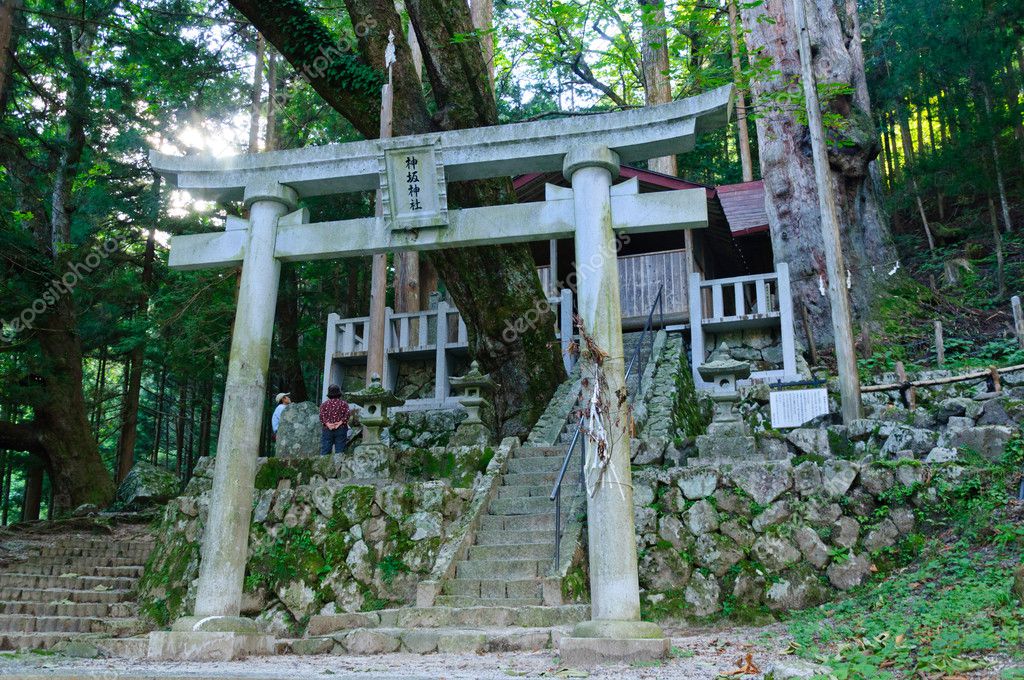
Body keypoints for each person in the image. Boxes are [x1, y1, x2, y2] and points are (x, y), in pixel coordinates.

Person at [319, 384, 351, 456]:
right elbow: (347, 414)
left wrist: (328, 424)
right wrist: (339, 423)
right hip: (341, 429)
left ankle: (324, 466)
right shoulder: (344, 404)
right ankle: (338, 467)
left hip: (327, 429)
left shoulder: (324, 405)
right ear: (339, 393)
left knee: (325, 451)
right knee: (340, 451)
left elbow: (321, 416)